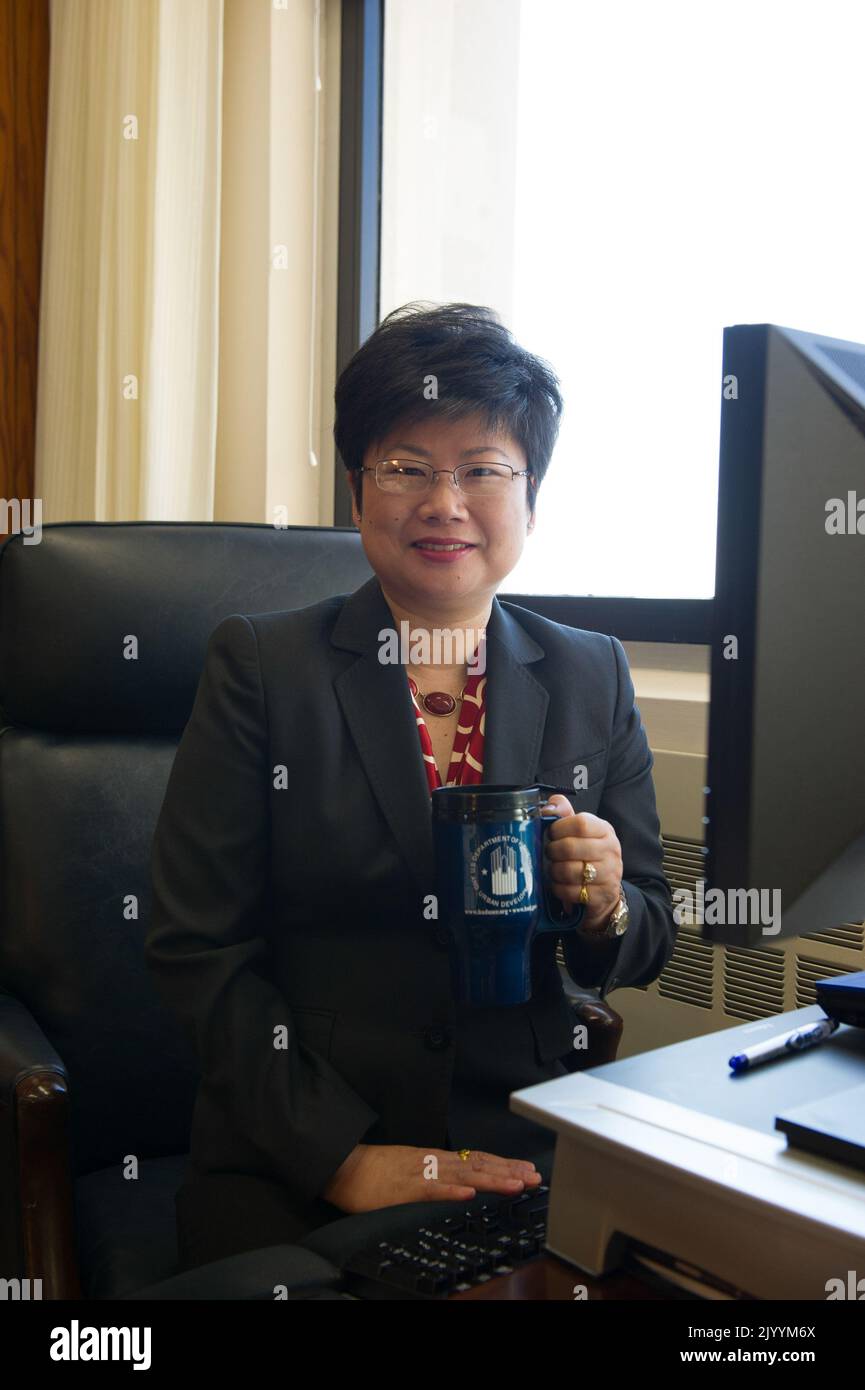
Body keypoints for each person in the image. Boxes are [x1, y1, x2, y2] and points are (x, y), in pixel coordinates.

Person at [145, 302, 677, 1272]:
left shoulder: (591, 673)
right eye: (406, 467)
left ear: (530, 499)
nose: (445, 501)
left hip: (518, 1146)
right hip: (295, 1160)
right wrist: (343, 1156)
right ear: (357, 492)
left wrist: (604, 903)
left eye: (482, 469)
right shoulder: (264, 669)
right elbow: (194, 950)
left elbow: (644, 936)